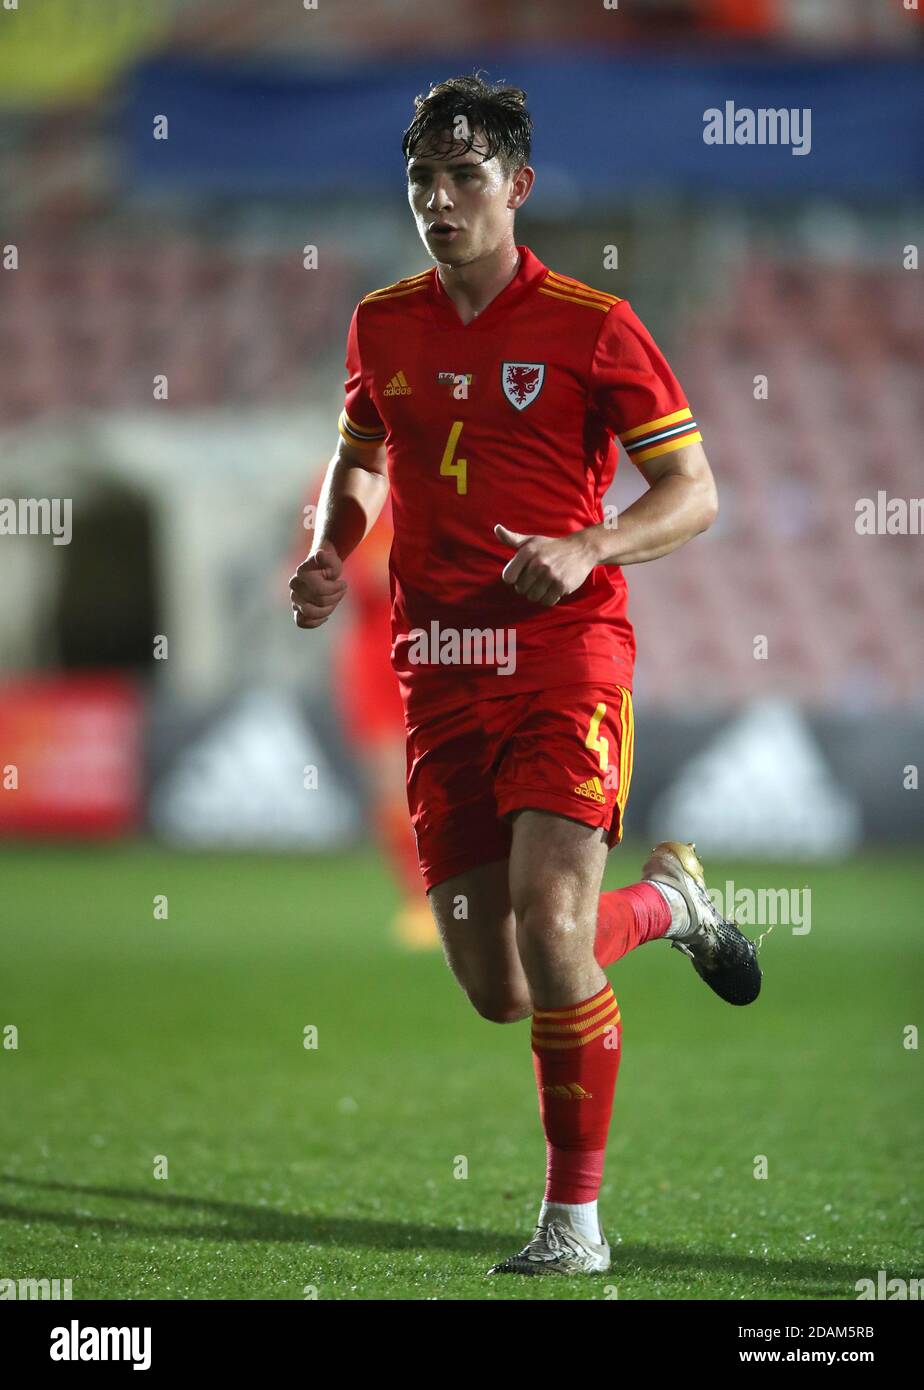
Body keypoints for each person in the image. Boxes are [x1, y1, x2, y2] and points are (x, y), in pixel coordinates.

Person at [290, 74, 761, 1276]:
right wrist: (330, 550)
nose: (439, 201)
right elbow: (360, 463)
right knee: (502, 986)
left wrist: (590, 542)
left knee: (553, 926)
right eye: (422, 182)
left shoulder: (595, 325)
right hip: (439, 674)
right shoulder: (380, 322)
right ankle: (669, 908)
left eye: (464, 179)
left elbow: (695, 491)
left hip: (567, 658)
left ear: (518, 187)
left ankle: (574, 1226)